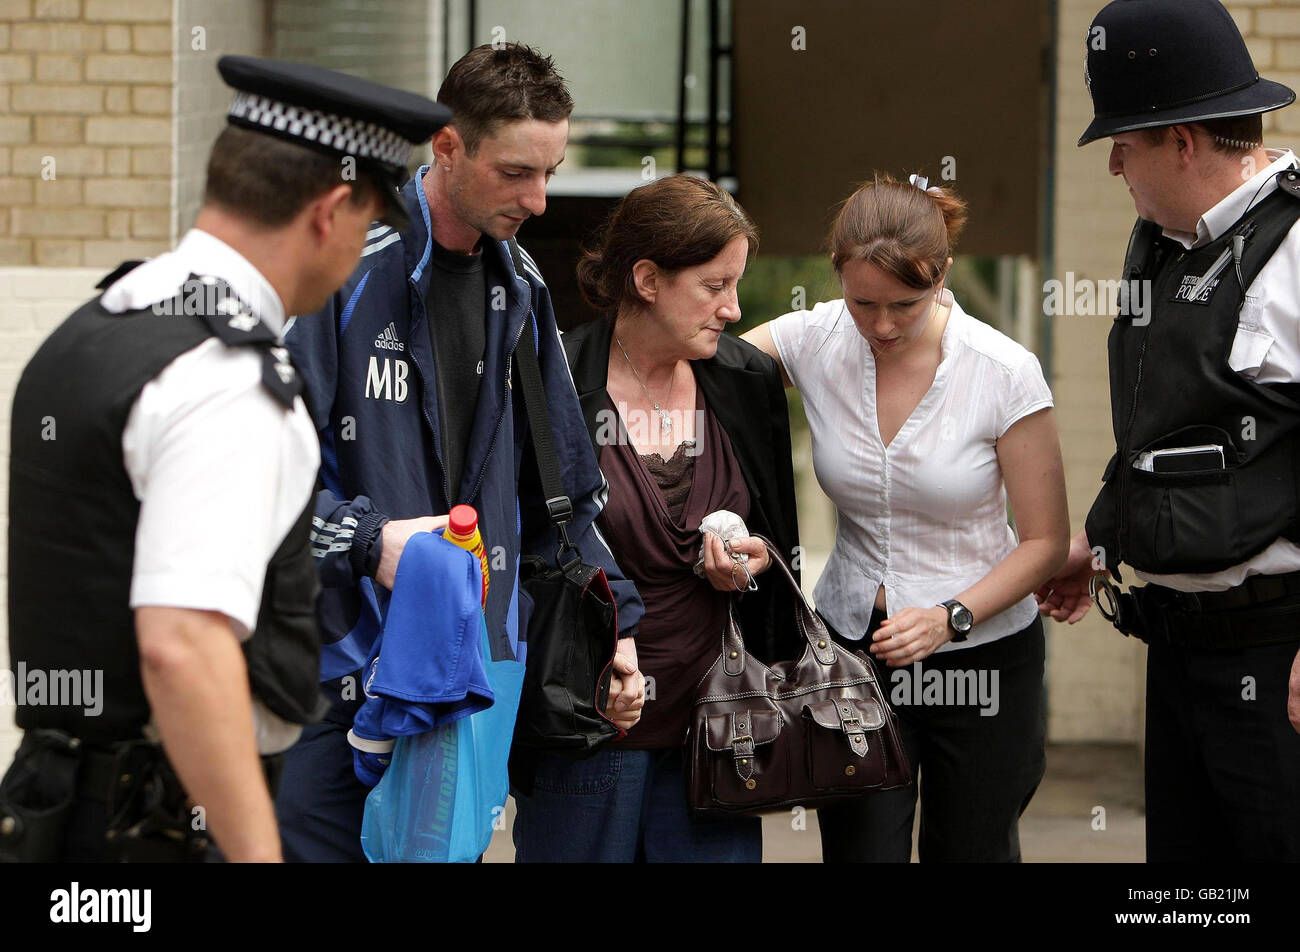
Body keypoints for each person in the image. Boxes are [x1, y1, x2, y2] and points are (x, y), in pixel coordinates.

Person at [0, 57, 448, 863]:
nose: (362, 252)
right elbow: (182, 645)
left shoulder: (104, 321)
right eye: (369, 223)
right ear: (331, 209)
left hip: (55, 806)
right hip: (158, 823)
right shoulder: (226, 380)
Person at [276, 43, 646, 862]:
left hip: (474, 663)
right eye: (518, 172)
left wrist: (617, 625)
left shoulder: (521, 285)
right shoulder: (341, 271)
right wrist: (369, 543)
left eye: (550, 171)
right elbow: (262, 483)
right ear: (448, 146)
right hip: (339, 661)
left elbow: (563, 490)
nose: (541, 200)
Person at [1038, 0, 1300, 861]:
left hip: (1277, 658)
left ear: (1182, 141)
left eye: (1125, 141)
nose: (1113, 164)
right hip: (1181, 649)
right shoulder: (1169, 243)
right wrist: (1100, 538)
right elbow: (1172, 432)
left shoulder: (1292, 251)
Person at [744, 175, 1070, 862]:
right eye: (864, 303)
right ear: (836, 273)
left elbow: (1046, 542)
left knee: (972, 849)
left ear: (942, 274)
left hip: (983, 657)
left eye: (906, 305)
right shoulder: (813, 339)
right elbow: (701, 367)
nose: (884, 325)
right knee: (861, 852)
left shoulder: (1004, 371)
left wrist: (949, 615)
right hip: (854, 657)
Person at [510, 174, 801, 863]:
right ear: (646, 278)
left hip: (722, 727)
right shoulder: (556, 383)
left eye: (736, 285)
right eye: (713, 286)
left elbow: (777, 532)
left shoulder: (743, 379)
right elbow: (528, 545)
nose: (732, 308)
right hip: (592, 725)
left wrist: (754, 555)